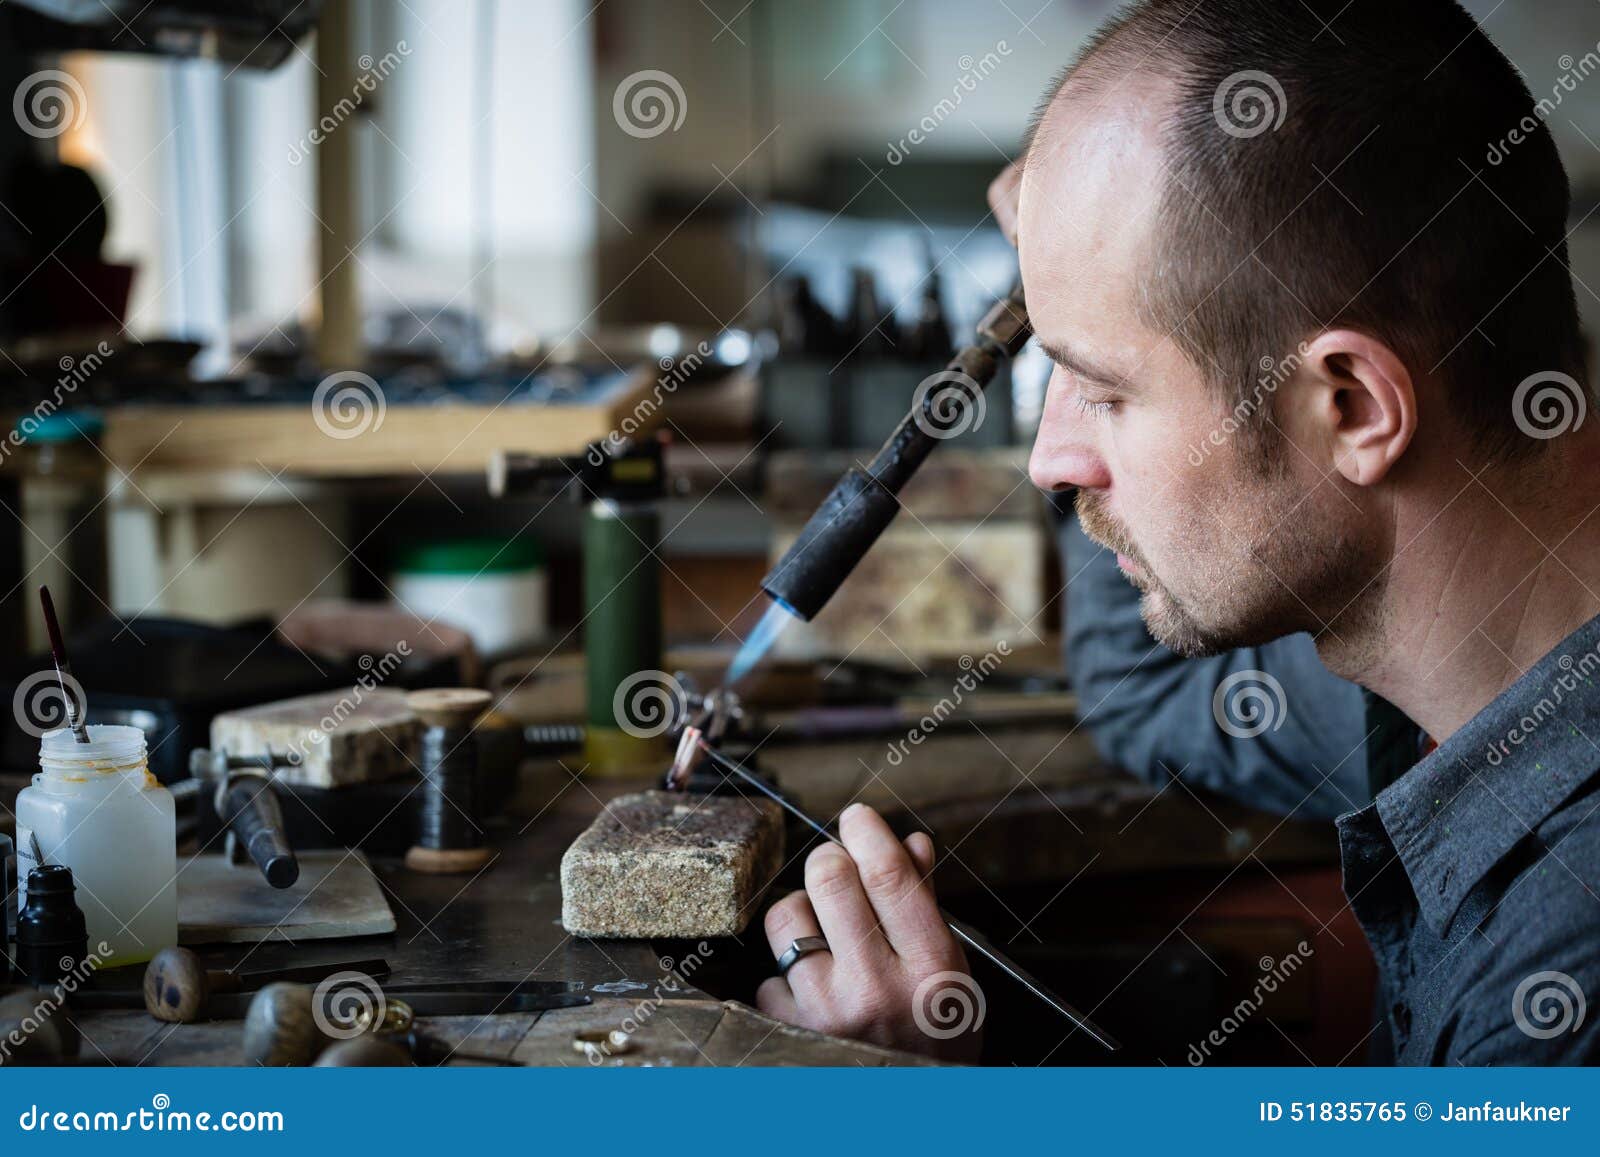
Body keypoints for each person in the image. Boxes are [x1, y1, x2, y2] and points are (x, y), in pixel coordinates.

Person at [756, 0, 1600, 1065]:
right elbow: (1149, 688)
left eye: (1101, 392)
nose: (1048, 462)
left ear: (1350, 406)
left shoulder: (1566, 955)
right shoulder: (1433, 690)